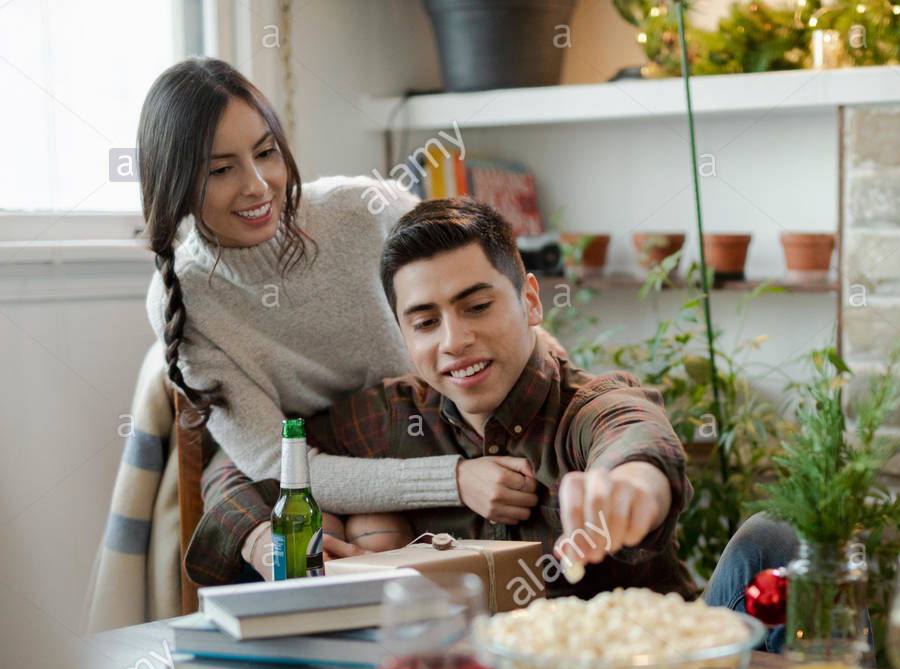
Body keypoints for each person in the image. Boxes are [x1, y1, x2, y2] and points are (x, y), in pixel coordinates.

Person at [138, 58, 548, 575]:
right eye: (222, 169)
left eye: (266, 153)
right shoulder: (186, 295)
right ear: (175, 182)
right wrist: (455, 479)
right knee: (309, 544)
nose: (259, 186)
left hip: (440, 422)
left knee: (373, 538)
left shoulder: (365, 211)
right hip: (318, 461)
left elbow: (494, 304)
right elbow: (270, 462)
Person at [187, 198, 696, 600]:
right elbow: (243, 464)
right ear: (404, 338)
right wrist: (257, 534)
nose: (453, 340)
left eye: (477, 306)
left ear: (531, 301)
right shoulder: (395, 416)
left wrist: (629, 484)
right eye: (426, 323)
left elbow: (636, 435)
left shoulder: (585, 410)